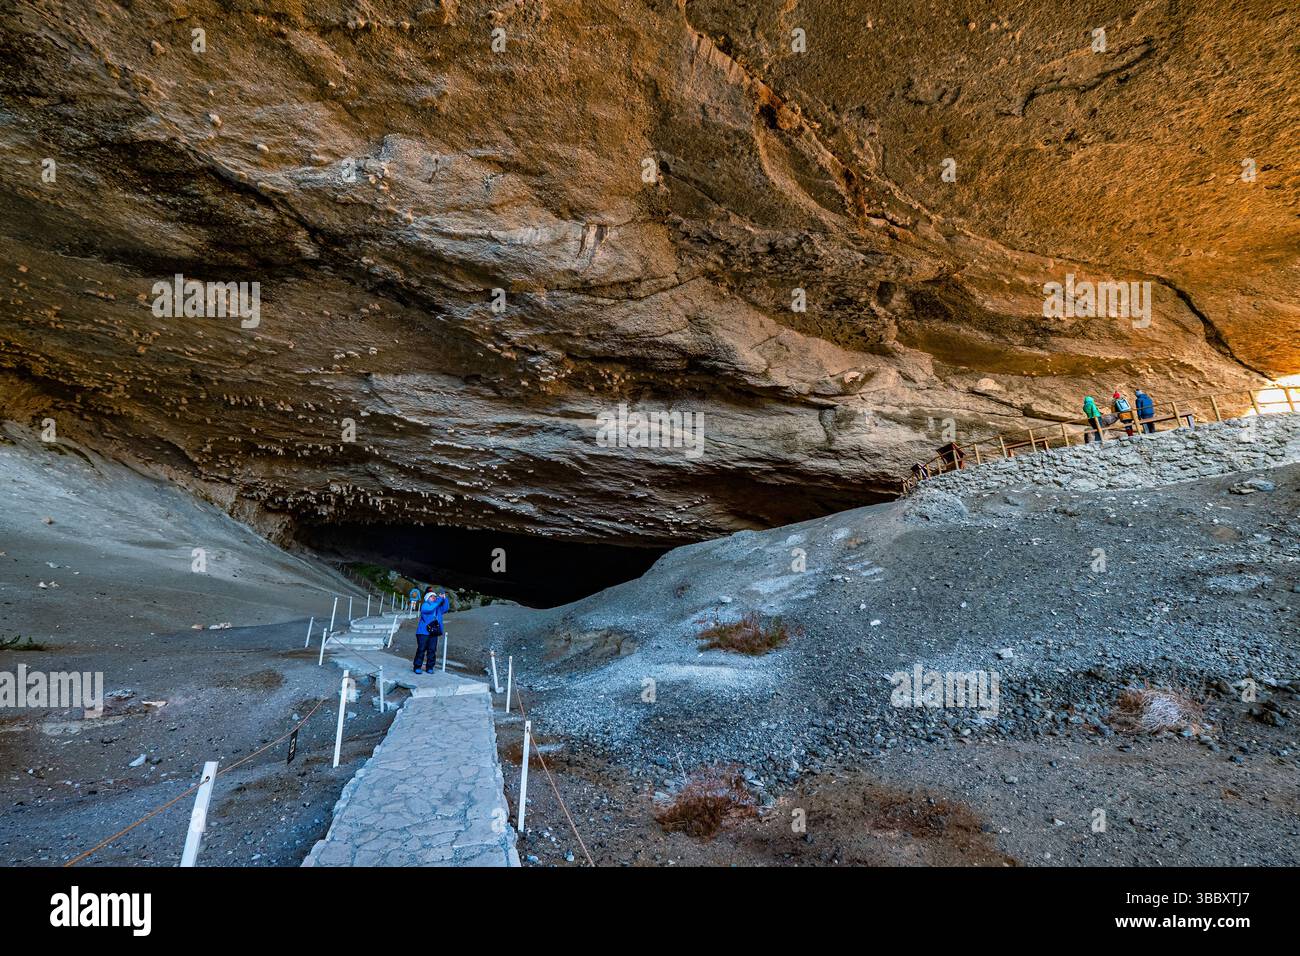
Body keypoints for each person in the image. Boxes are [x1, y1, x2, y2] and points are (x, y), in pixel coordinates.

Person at [413, 588, 450, 674]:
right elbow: (430, 609)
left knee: (432, 650)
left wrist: (444, 598)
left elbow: (446, 608)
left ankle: (430, 667)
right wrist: (439, 600)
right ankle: (417, 666)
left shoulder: (437, 608)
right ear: (427, 598)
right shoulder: (425, 605)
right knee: (421, 649)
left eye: (435, 596)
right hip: (423, 632)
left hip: (433, 632)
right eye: (432, 596)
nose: (434, 598)